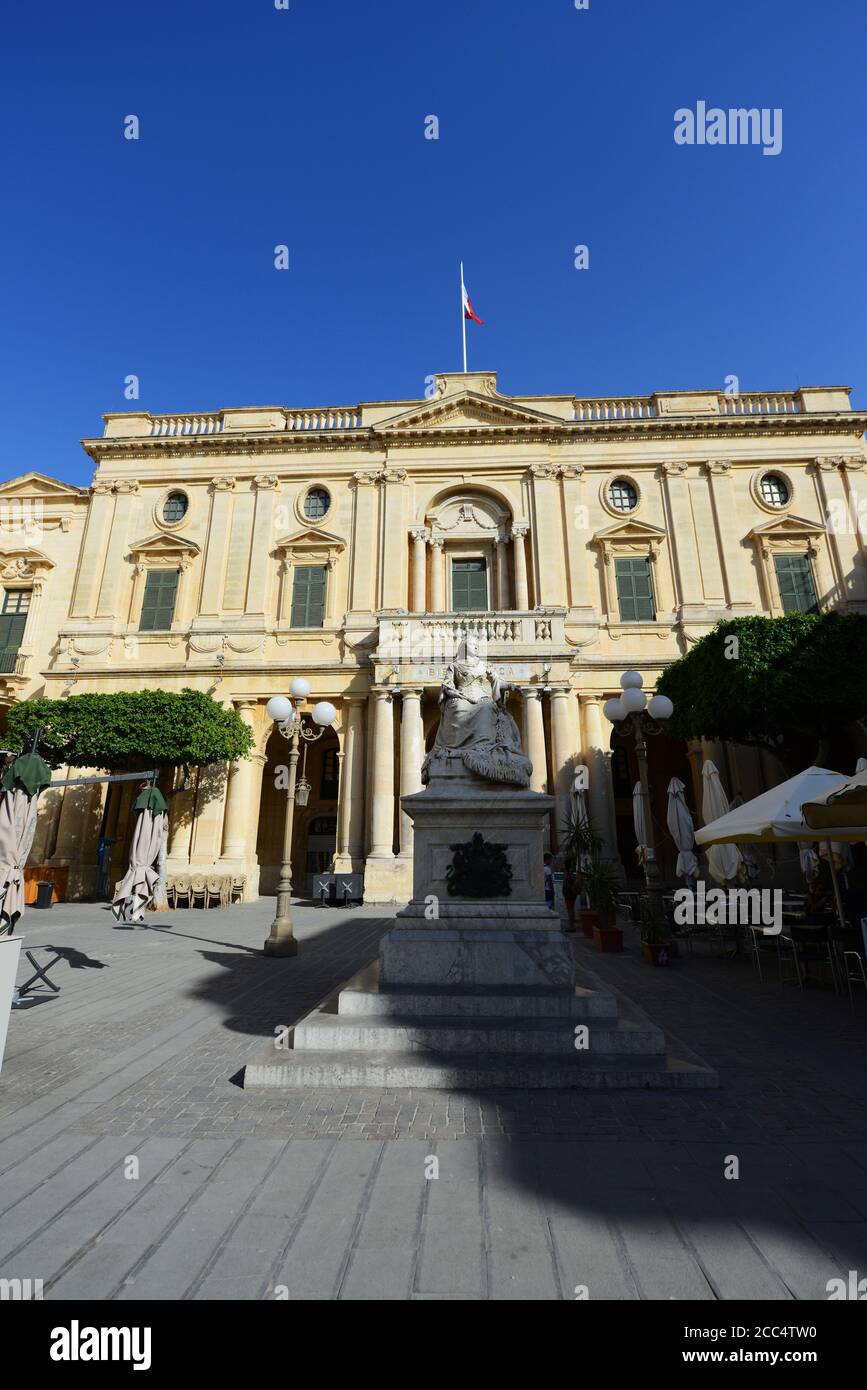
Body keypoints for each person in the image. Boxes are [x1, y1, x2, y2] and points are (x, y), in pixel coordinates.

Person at [562, 859, 578, 932]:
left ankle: (571, 926)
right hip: (571, 893)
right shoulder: (571, 872)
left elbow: (568, 882)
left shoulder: (567, 872)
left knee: (570, 909)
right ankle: (572, 925)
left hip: (569, 893)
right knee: (571, 909)